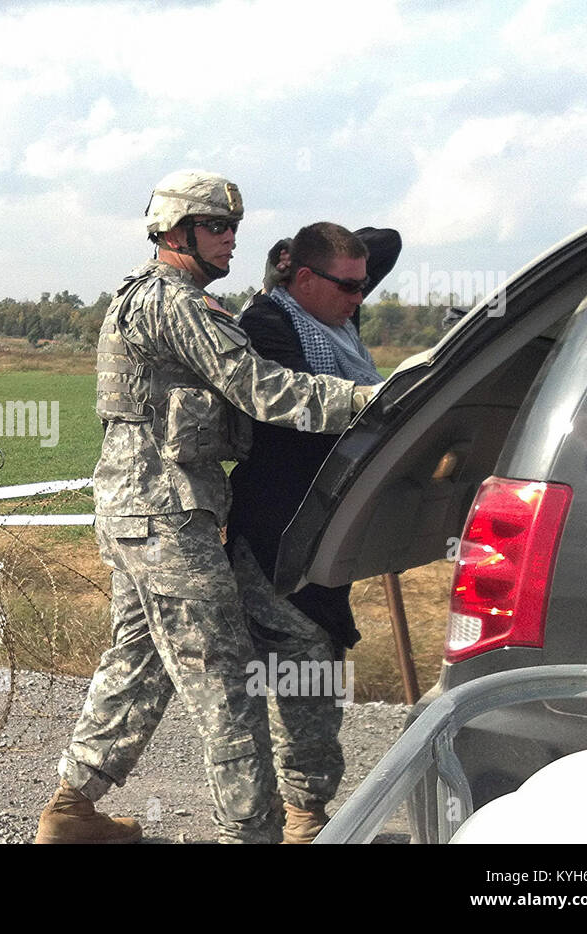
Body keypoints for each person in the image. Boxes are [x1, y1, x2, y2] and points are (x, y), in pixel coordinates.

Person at [34, 172, 378, 844]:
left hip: (141, 511)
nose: (230, 240)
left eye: (234, 229)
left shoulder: (151, 297)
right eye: (216, 227)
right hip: (165, 517)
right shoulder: (175, 302)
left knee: (139, 661)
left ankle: (72, 812)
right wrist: (373, 399)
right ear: (175, 231)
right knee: (228, 684)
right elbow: (263, 389)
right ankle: (250, 834)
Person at [227, 221, 396, 842]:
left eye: (362, 285)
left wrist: (310, 255)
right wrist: (288, 267)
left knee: (317, 655)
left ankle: (298, 808)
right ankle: (300, 814)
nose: (360, 297)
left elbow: (386, 241)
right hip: (277, 531)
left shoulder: (336, 317)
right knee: (304, 661)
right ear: (302, 280)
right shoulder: (268, 324)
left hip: (327, 529)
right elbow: (302, 410)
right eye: (348, 286)